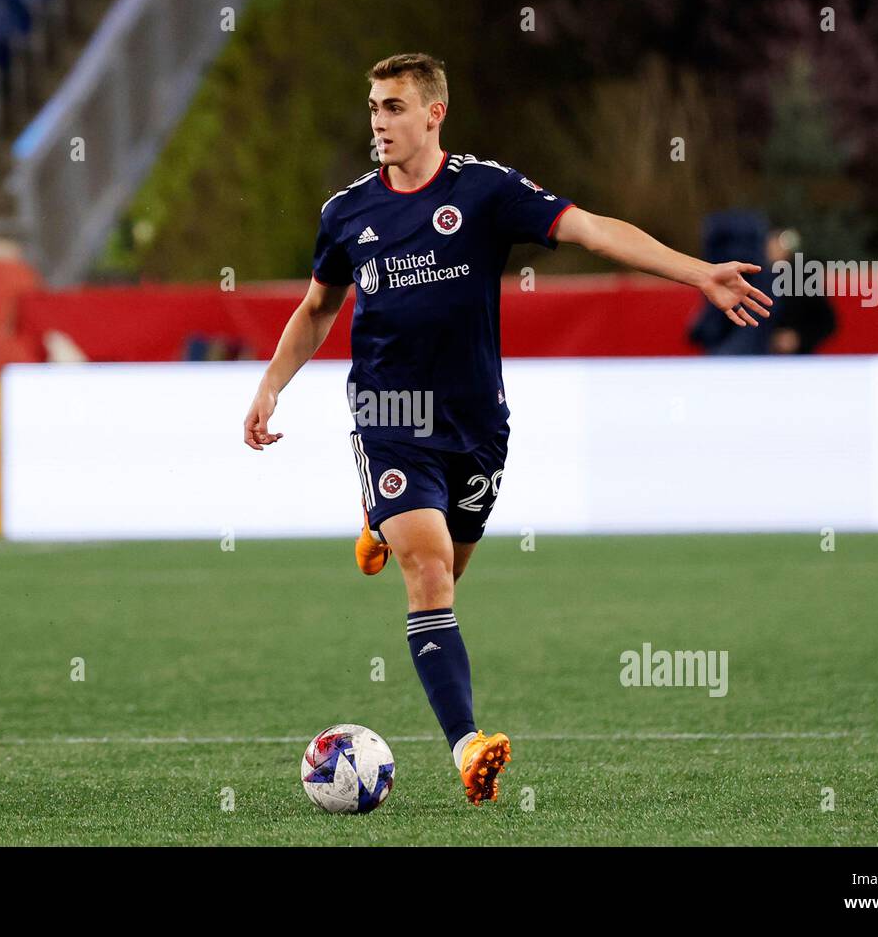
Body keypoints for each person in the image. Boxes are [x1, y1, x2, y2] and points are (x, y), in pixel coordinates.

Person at [242, 53, 772, 806]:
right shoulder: (347, 213)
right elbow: (318, 307)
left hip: (478, 426)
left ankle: (380, 522)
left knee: (448, 572)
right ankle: (467, 747)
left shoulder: (485, 192)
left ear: (434, 114)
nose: (378, 123)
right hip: (390, 419)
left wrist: (698, 272)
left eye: (393, 107)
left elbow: (591, 229)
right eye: (372, 107)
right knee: (425, 571)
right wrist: (271, 384)